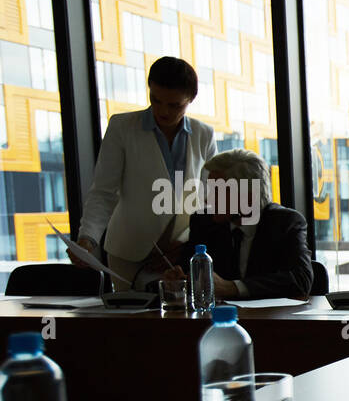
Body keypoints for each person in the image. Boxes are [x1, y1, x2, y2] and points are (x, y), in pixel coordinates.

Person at [76, 56, 216, 290]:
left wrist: (189, 244)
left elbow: (209, 200)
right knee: (132, 322)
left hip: (180, 252)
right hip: (128, 252)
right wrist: (87, 238)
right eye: (156, 100)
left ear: (191, 99)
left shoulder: (204, 134)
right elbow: (103, 191)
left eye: (175, 105)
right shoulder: (122, 127)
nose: (163, 111)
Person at [163, 149, 313, 300]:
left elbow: (301, 280)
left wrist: (233, 288)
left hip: (271, 320)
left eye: (217, 191)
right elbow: (189, 276)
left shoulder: (285, 223)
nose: (207, 200)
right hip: (215, 319)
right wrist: (178, 282)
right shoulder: (203, 223)